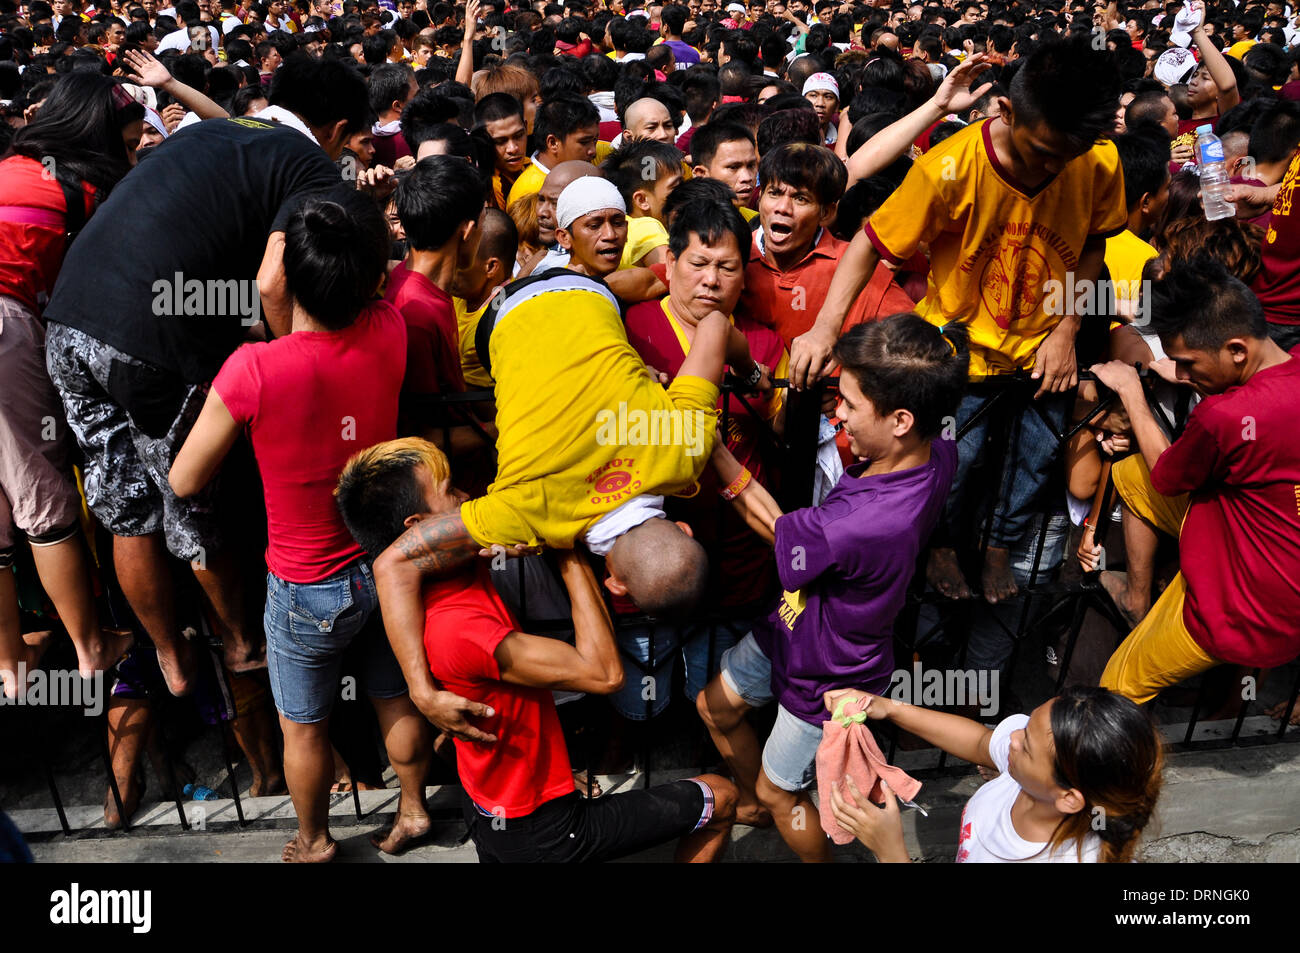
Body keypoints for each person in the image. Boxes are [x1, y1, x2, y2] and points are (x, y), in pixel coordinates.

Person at [371, 175, 743, 740]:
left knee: (622, 283)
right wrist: (423, 693)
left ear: (684, 531)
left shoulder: (683, 452)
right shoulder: (525, 510)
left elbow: (714, 325)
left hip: (578, 293)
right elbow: (393, 564)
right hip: (502, 317)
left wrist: (744, 369)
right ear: (614, 586)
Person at [43, 54, 369, 696]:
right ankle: (243, 643)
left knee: (122, 507)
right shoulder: (310, 165)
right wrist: (290, 355)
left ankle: (169, 656)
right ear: (334, 129)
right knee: (189, 506)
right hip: (148, 342)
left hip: (69, 320)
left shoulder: (209, 134)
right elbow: (273, 282)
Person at [808, 39, 1127, 605]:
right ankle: (943, 545)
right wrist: (824, 330)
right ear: (1005, 112)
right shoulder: (949, 168)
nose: (1054, 167)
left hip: (1043, 355)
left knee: (1035, 458)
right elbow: (868, 244)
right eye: (1043, 151)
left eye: (1067, 155)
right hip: (960, 354)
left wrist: (1066, 329)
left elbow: (1095, 247)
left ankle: (1000, 546)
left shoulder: (1098, 160)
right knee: (954, 464)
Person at [168, 191, 432, 863]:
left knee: (305, 728)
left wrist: (271, 268)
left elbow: (184, 480)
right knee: (392, 694)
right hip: (384, 564)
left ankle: (314, 840)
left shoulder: (255, 369)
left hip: (304, 585)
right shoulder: (389, 329)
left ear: (289, 278)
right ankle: (414, 807)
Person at [334, 437, 738, 862]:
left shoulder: (442, 578)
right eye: (452, 491)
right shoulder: (459, 625)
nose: (468, 498)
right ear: (417, 526)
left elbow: (407, 559)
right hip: (541, 828)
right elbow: (604, 673)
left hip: (494, 808)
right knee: (723, 796)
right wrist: (566, 543)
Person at [697, 314, 966, 862]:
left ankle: (785, 822)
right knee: (714, 706)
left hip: (827, 677)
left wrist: (709, 444)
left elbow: (777, 530)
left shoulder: (860, 523)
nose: (836, 413)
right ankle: (755, 800)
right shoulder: (938, 451)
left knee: (783, 793)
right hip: (792, 626)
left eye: (847, 402)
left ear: (900, 420)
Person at [1088, 259, 1300, 705]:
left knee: (1118, 691)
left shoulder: (1223, 416)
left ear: (1237, 351)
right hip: (1276, 565)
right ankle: (1139, 597)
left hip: (1243, 606)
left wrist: (1130, 391)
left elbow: (1166, 476)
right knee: (1130, 473)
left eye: (1187, 363)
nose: (1181, 375)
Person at [0, 73, 142, 697]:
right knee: (40, 490)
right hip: (5, 325)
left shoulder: (13, 165)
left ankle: (7, 659)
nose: (132, 155)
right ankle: (91, 646)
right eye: (130, 143)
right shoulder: (82, 189)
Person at [825, 685, 1163, 863]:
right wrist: (890, 708)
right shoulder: (1037, 767)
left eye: (1026, 745)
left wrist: (891, 853)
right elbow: (981, 741)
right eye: (1027, 726)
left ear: (1069, 798)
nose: (1013, 737)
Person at [505, 94, 602, 206]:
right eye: (584, 142)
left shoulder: (590, 162)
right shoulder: (530, 192)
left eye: (595, 140)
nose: (593, 151)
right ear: (553, 143)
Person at [602, 138, 683, 268]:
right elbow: (674, 274)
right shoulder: (646, 227)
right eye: (676, 187)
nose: (685, 192)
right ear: (642, 200)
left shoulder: (626, 228)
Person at [689, 121, 760, 223]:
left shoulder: (757, 222)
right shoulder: (688, 228)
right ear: (701, 174)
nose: (747, 177)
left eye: (751, 165)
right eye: (733, 167)